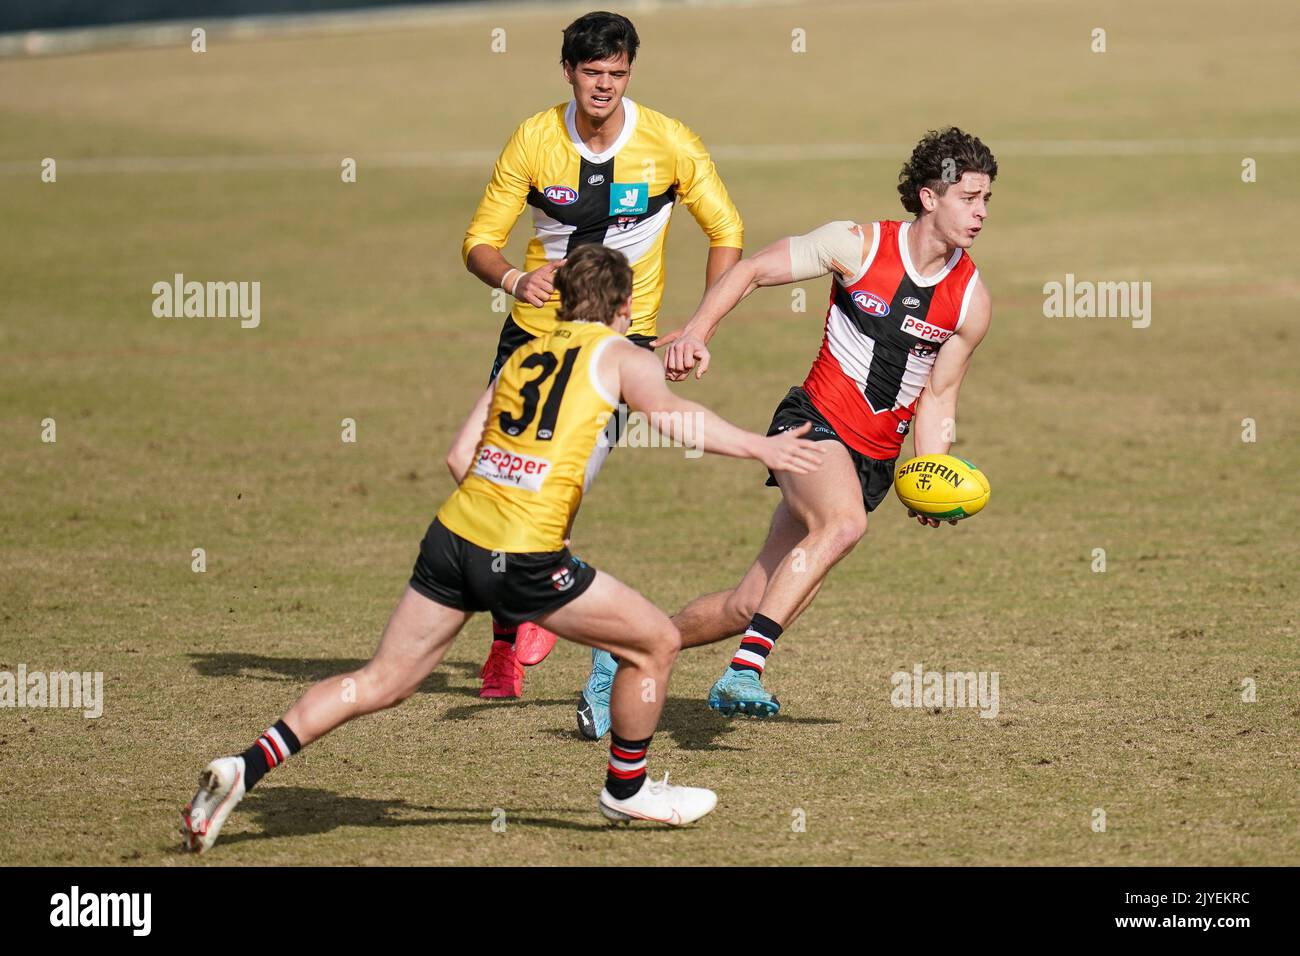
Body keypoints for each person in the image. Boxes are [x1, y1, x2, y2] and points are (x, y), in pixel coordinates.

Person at [180, 246, 823, 852]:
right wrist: (761, 446)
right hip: (522, 556)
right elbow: (672, 416)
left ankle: (246, 766)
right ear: (625, 306)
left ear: (562, 303)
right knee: (655, 642)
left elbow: (459, 455)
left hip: (453, 540)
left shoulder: (522, 357)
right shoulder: (624, 354)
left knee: (380, 681)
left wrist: (504, 506)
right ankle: (626, 792)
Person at [578, 127, 997, 725]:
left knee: (749, 603)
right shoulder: (856, 245)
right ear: (930, 197)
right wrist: (697, 332)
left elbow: (939, 397)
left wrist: (929, 470)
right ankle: (745, 671)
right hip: (814, 426)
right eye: (968, 198)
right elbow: (749, 271)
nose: (980, 214)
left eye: (986, 201)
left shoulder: (970, 299)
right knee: (844, 524)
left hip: (875, 459)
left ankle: (625, 654)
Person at [462, 11, 744, 702]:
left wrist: (697, 329)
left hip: (620, 343)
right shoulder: (533, 140)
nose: (605, 87)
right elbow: (478, 241)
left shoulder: (669, 143)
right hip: (532, 333)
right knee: (490, 476)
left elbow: (726, 230)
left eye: (618, 73)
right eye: (593, 72)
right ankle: (514, 632)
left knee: (561, 481)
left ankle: (519, 629)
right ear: (568, 71)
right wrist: (510, 278)